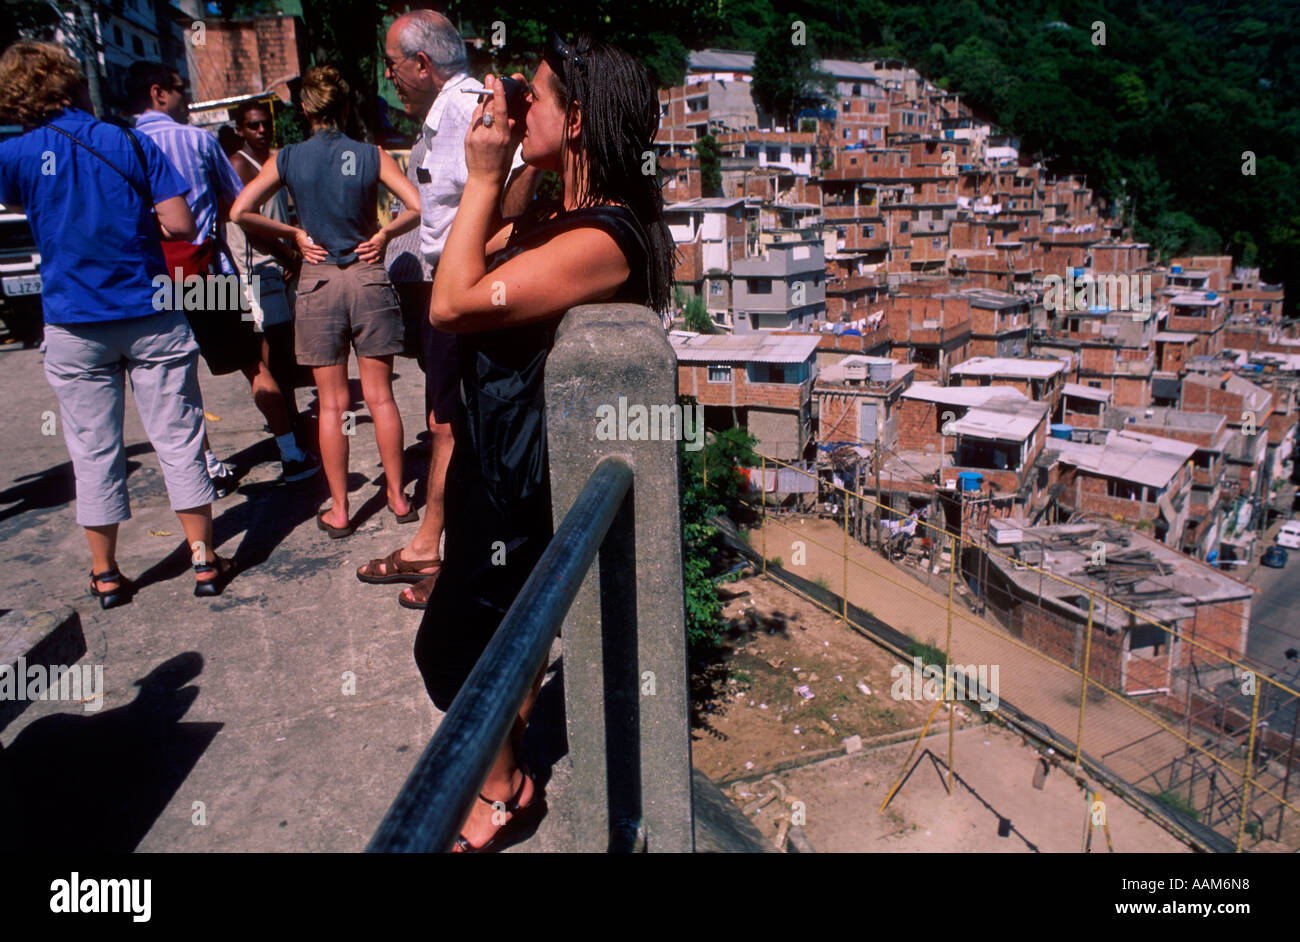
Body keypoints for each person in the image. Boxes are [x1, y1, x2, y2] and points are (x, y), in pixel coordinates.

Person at [413, 33, 674, 852]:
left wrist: (486, 173)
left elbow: (451, 302)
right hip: (494, 457)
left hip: (524, 478)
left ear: (584, 119)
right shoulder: (558, 207)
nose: (517, 109)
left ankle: (505, 791)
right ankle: (507, 755)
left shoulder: (605, 240)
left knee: (449, 654)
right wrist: (518, 168)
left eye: (536, 97)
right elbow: (477, 255)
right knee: (497, 641)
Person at [0, 41, 235, 603]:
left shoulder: (16, 154)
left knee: (93, 448)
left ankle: (106, 573)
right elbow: (178, 224)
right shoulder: (128, 140)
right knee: (178, 437)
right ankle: (203, 560)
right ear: (74, 82)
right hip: (149, 309)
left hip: (73, 320)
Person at [356, 9, 540, 609]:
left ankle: (449, 553)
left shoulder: (465, 108)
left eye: (394, 65)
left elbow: (511, 196)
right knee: (445, 424)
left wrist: (476, 263)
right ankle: (433, 544)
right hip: (450, 286)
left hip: (467, 289)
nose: (390, 78)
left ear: (422, 64)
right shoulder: (447, 112)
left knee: (457, 427)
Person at [230, 65, 422, 537]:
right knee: (380, 397)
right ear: (345, 107)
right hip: (368, 276)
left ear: (306, 109)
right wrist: (383, 235)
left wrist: (295, 233)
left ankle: (340, 510)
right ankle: (398, 497)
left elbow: (240, 212)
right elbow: (416, 207)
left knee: (333, 406)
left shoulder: (288, 157)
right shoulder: (370, 154)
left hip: (317, 282)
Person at [128, 62, 313, 491]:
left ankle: (205, 467)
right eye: (179, 89)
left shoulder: (122, 144)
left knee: (177, 378)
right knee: (255, 364)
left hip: (152, 279)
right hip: (207, 276)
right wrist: (284, 250)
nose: (186, 99)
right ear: (158, 92)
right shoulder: (197, 140)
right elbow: (239, 211)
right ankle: (291, 453)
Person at [226, 100, 319, 483]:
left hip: (279, 266)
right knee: (273, 356)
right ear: (240, 129)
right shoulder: (239, 164)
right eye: (253, 126)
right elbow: (249, 224)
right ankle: (288, 433)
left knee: (285, 353)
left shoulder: (274, 161)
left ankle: (291, 422)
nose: (262, 131)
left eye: (265, 124)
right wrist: (288, 253)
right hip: (259, 270)